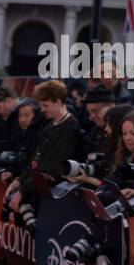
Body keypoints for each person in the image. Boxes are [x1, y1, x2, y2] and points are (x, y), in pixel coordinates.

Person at [7, 80, 82, 214]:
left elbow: (50, 169)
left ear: (58, 102)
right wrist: (20, 180)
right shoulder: (49, 127)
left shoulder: (70, 130)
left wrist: (22, 192)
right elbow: (36, 160)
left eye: (45, 105)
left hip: (57, 199)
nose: (42, 110)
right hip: (41, 194)